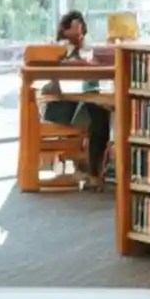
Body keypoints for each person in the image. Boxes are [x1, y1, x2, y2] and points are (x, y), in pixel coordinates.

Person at [42, 10, 111, 190]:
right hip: (61, 106)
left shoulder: (84, 52)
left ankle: (94, 171)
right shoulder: (58, 49)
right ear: (64, 31)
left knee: (101, 112)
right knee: (99, 113)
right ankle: (93, 172)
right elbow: (57, 80)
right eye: (75, 33)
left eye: (81, 33)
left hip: (77, 101)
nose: (79, 37)